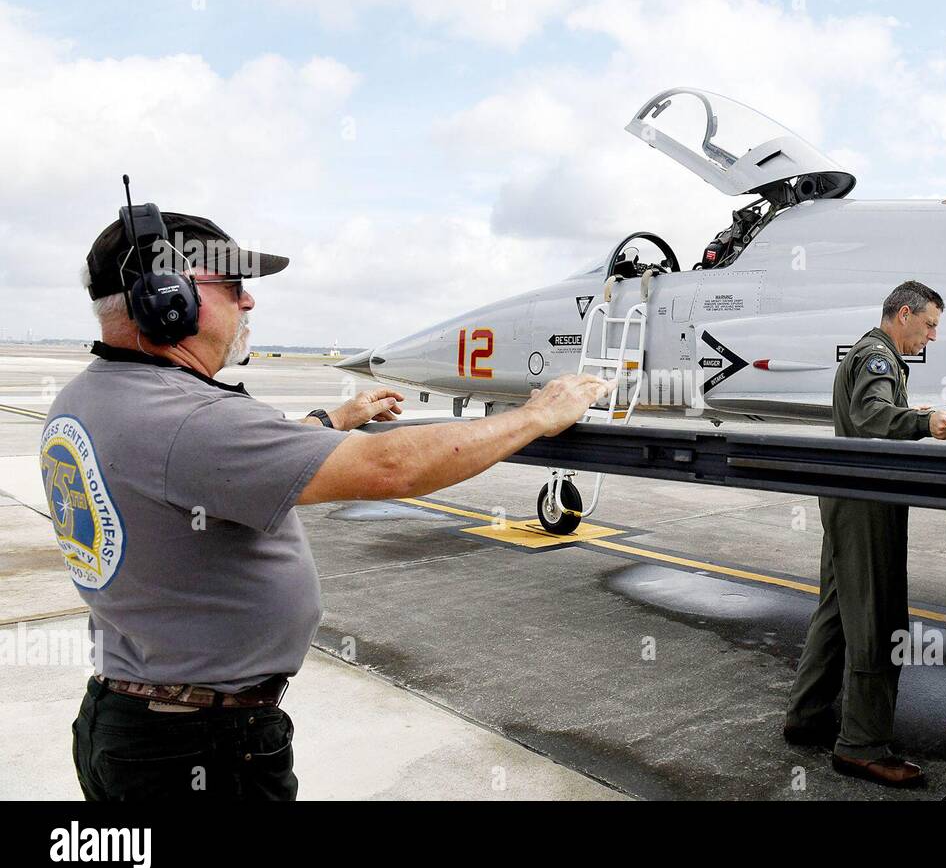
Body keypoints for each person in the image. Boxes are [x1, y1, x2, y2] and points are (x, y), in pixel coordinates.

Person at [48, 204, 606, 800]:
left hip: (130, 723)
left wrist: (335, 419)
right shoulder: (190, 418)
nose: (249, 301)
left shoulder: (88, 399)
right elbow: (394, 466)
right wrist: (536, 415)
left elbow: (218, 465)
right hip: (199, 750)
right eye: (233, 285)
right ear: (169, 298)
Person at [783, 280, 946, 787]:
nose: (931, 337)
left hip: (847, 500)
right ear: (903, 314)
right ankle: (862, 746)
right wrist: (926, 422)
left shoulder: (870, 355)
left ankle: (807, 715)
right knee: (878, 618)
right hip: (866, 507)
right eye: (928, 325)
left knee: (838, 611)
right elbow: (871, 416)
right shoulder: (876, 358)